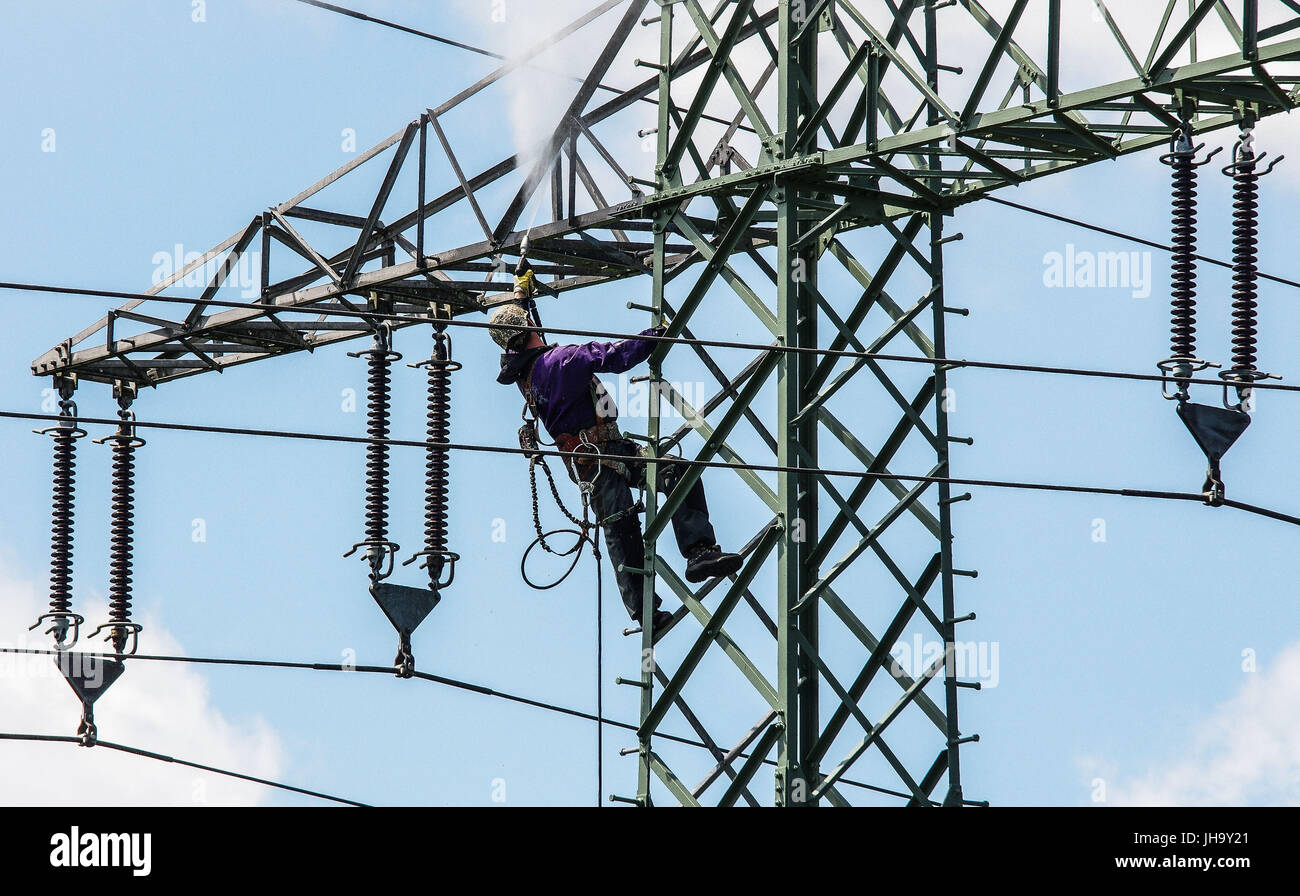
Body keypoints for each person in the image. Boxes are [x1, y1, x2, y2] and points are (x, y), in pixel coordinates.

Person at [490, 271, 742, 638]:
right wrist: (658, 335)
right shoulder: (563, 362)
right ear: (527, 328)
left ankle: (657, 601)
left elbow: (529, 340)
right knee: (624, 523)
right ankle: (693, 556)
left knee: (635, 514)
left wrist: (523, 297)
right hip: (602, 460)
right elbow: (618, 356)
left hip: (598, 459)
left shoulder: (527, 374)